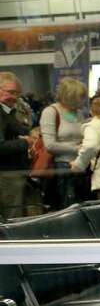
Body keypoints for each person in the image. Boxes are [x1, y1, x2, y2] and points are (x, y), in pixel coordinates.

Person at [39, 77, 89, 210]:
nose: (84, 100)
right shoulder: (50, 112)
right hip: (61, 167)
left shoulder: (79, 113)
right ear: (70, 96)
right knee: (68, 207)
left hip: (80, 165)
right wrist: (77, 149)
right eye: (81, 97)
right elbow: (49, 144)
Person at [0, 70, 37, 219]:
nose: (14, 97)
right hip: (7, 176)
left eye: (17, 93)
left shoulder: (7, 112)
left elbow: (18, 128)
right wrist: (25, 142)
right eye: (10, 92)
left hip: (12, 174)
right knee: (12, 220)